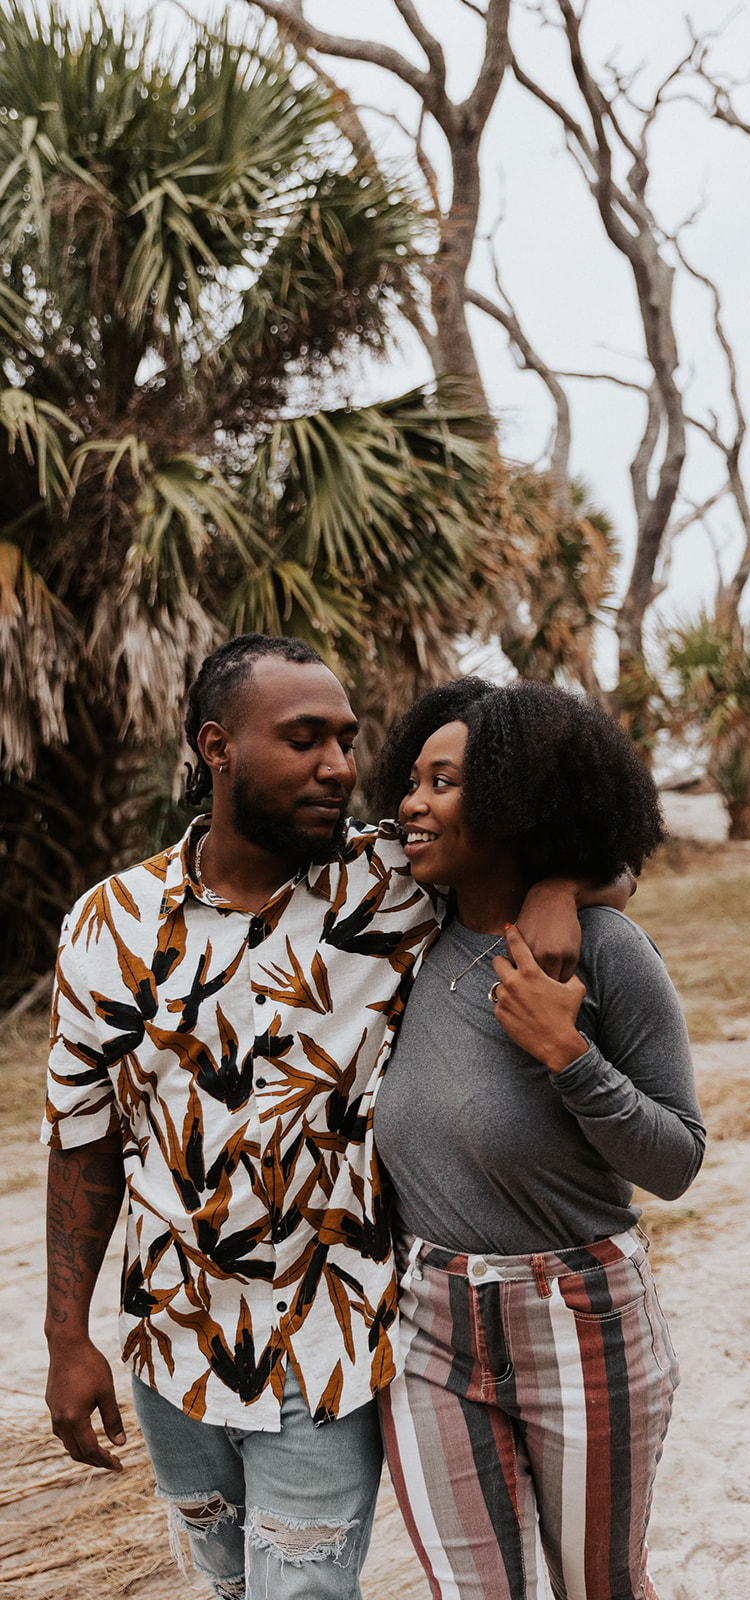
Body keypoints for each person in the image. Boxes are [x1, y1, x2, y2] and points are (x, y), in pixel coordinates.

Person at [42, 635, 593, 1600]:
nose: (340, 766)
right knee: (223, 1581)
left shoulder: (390, 886)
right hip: (170, 1344)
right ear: (216, 747)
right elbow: (81, 1138)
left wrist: (555, 887)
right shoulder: (107, 925)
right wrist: (65, 1339)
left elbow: (589, 849)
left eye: (345, 740)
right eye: (304, 740)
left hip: (326, 1345)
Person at [368, 677, 706, 1600]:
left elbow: (675, 1160)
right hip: (428, 1325)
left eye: (443, 784)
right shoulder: (398, 933)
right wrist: (564, 878)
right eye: (411, 780)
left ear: (521, 801)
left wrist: (568, 1054)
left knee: (600, 1587)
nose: (410, 801)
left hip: (581, 1319)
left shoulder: (603, 949)